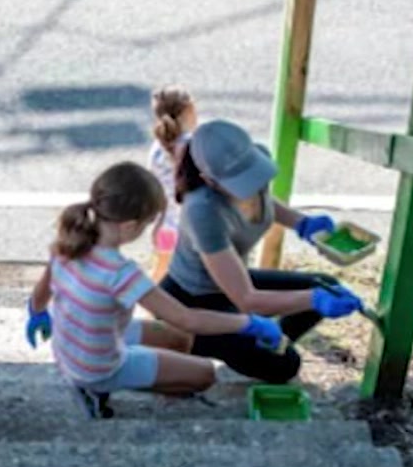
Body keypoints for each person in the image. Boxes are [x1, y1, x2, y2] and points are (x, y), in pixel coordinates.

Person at [24, 162, 282, 419]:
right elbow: (187, 317)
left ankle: (153, 378)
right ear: (129, 226)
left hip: (73, 348)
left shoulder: (67, 244)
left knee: (179, 338)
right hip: (98, 368)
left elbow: (40, 295)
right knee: (206, 374)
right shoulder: (121, 274)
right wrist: (249, 324)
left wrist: (37, 314)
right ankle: (98, 391)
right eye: (148, 223)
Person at [158, 118, 366, 383]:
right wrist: (314, 299)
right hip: (193, 303)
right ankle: (183, 343)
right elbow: (247, 299)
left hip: (231, 284)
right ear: (209, 181)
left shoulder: (256, 159)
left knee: (326, 285)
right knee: (285, 367)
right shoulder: (202, 211)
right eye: (240, 183)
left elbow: (263, 200)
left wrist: (303, 224)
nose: (252, 186)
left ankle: (271, 342)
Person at [144, 85, 200, 280]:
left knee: (161, 271)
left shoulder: (158, 148)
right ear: (188, 111)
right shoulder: (193, 144)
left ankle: (149, 306)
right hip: (190, 227)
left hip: (165, 226)